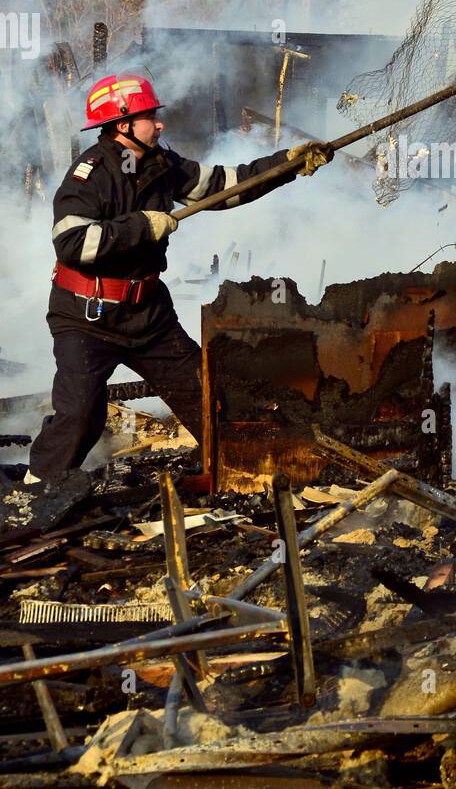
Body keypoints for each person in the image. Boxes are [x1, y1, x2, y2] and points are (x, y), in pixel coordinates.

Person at [26, 73, 331, 483]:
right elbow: (72, 243)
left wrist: (287, 164)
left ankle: (237, 475)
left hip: (149, 316)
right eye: (149, 116)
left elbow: (224, 187)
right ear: (122, 124)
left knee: (206, 398)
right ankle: (37, 492)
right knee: (80, 415)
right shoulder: (89, 173)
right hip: (87, 317)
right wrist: (140, 227)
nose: (160, 124)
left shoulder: (160, 164)